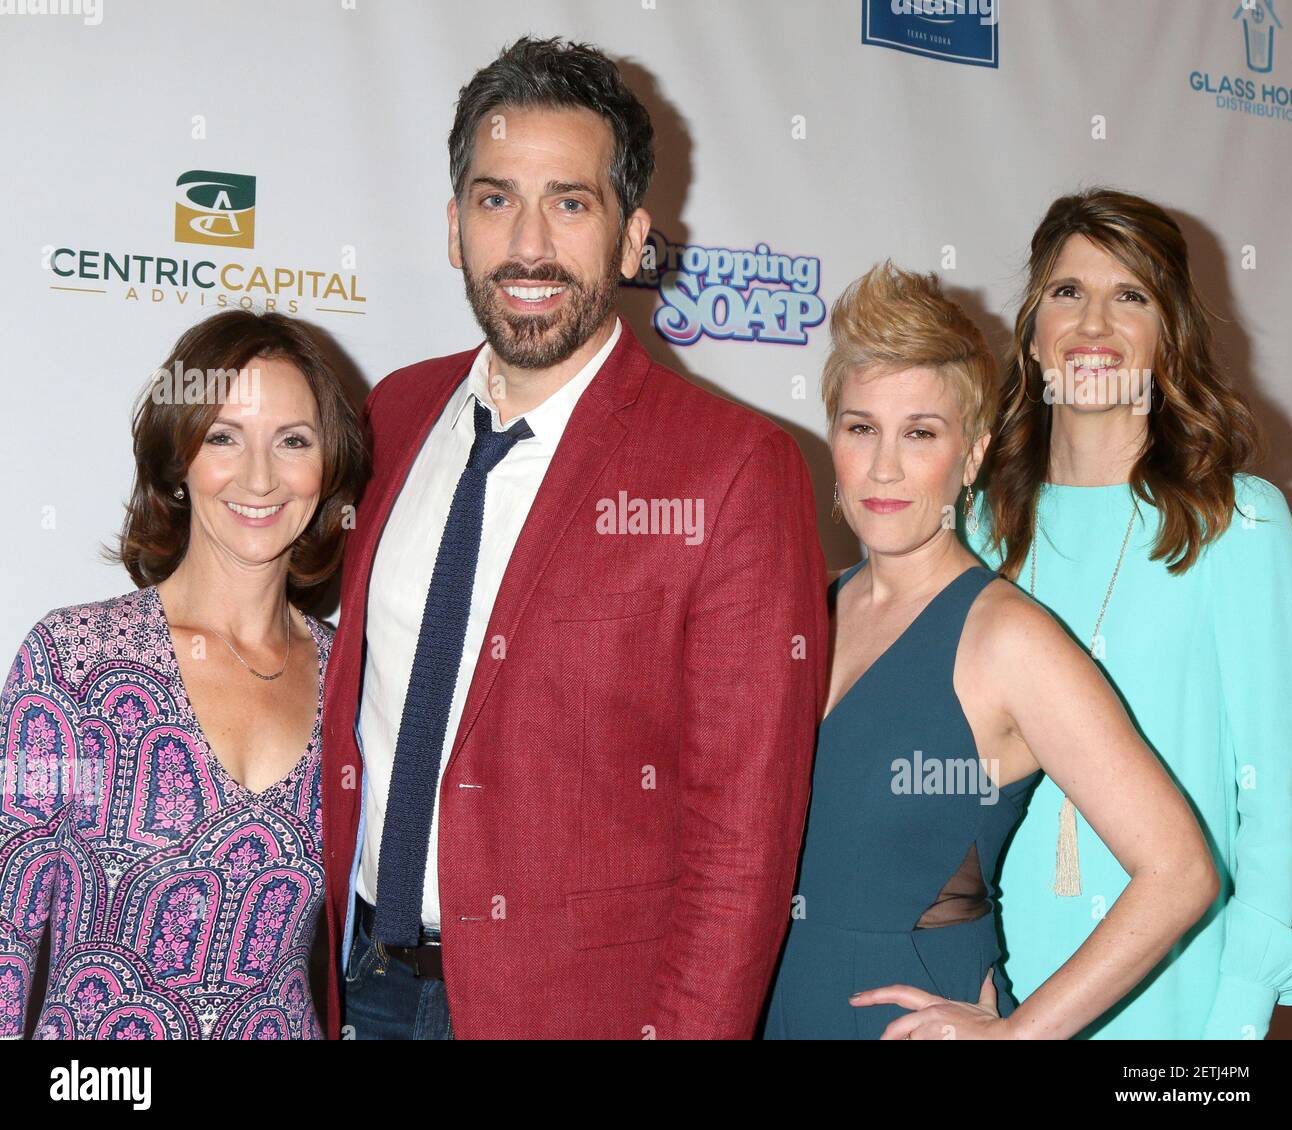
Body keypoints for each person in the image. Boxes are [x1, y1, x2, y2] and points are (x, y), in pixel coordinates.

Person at [319, 35, 828, 1040]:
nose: (529, 245)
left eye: (571, 202)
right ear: (454, 225)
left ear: (635, 237)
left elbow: (743, 844)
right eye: (496, 198)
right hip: (354, 981)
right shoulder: (390, 412)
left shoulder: (732, 470)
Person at [762, 261, 1219, 1040]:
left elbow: (1181, 872)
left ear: (971, 455)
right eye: (861, 427)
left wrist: (1018, 1034)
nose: (883, 467)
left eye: (921, 434)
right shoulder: (806, 608)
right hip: (771, 1008)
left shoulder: (1006, 638)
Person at [966, 187, 1292, 1038]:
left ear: (1169, 334)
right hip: (995, 983)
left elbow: (1279, 798)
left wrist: (1238, 1010)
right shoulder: (972, 525)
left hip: (1184, 988)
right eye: (1068, 292)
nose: (1093, 324)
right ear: (1034, 327)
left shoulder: (1239, 521)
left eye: (1131, 296)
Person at [0, 309, 367, 1039]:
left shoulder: (352, 679)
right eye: (224, 437)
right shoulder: (75, 661)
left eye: (293, 441)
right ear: (181, 457)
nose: (260, 477)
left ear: (327, 469)